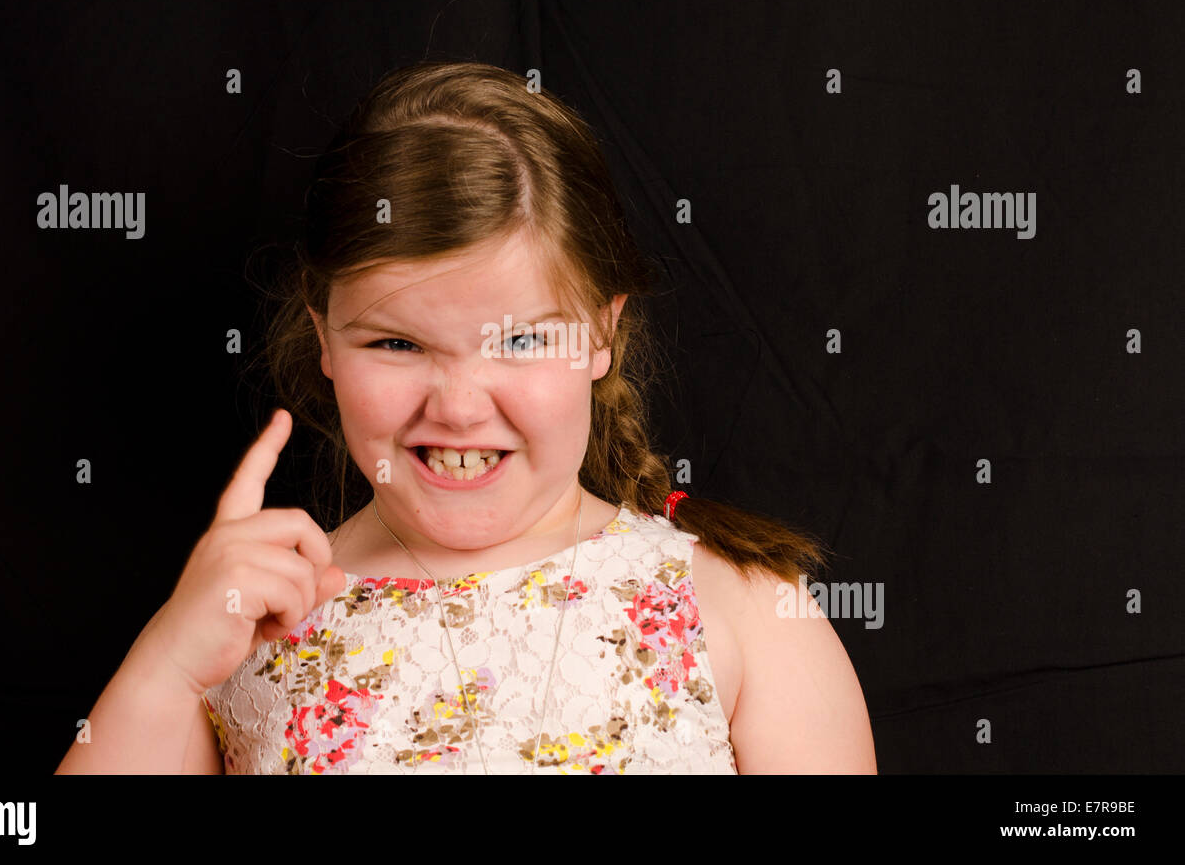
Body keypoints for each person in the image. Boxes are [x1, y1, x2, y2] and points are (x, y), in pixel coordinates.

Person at [56, 60, 876, 775]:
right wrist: (163, 668)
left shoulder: (743, 612)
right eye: (397, 342)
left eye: (518, 339)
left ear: (601, 333)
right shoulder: (242, 632)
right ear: (324, 339)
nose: (455, 406)